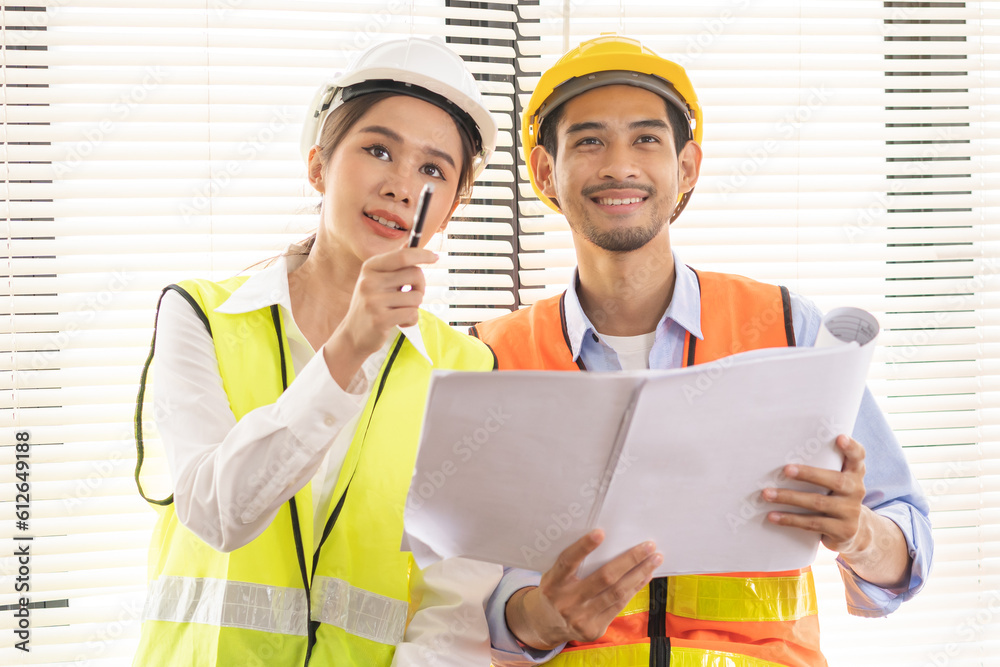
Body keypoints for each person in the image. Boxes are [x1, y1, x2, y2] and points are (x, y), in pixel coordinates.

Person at [471, 35, 933, 667]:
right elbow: (463, 596)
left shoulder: (788, 327)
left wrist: (857, 534)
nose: (619, 166)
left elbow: (903, 557)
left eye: (646, 139)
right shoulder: (490, 358)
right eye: (588, 140)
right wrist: (541, 619)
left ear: (686, 167)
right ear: (546, 171)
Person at [132, 37, 503, 666]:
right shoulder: (200, 317)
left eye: (434, 170)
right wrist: (349, 347)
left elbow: (456, 605)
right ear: (318, 166)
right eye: (378, 150)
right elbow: (221, 514)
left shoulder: (467, 368)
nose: (400, 185)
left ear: (455, 207)